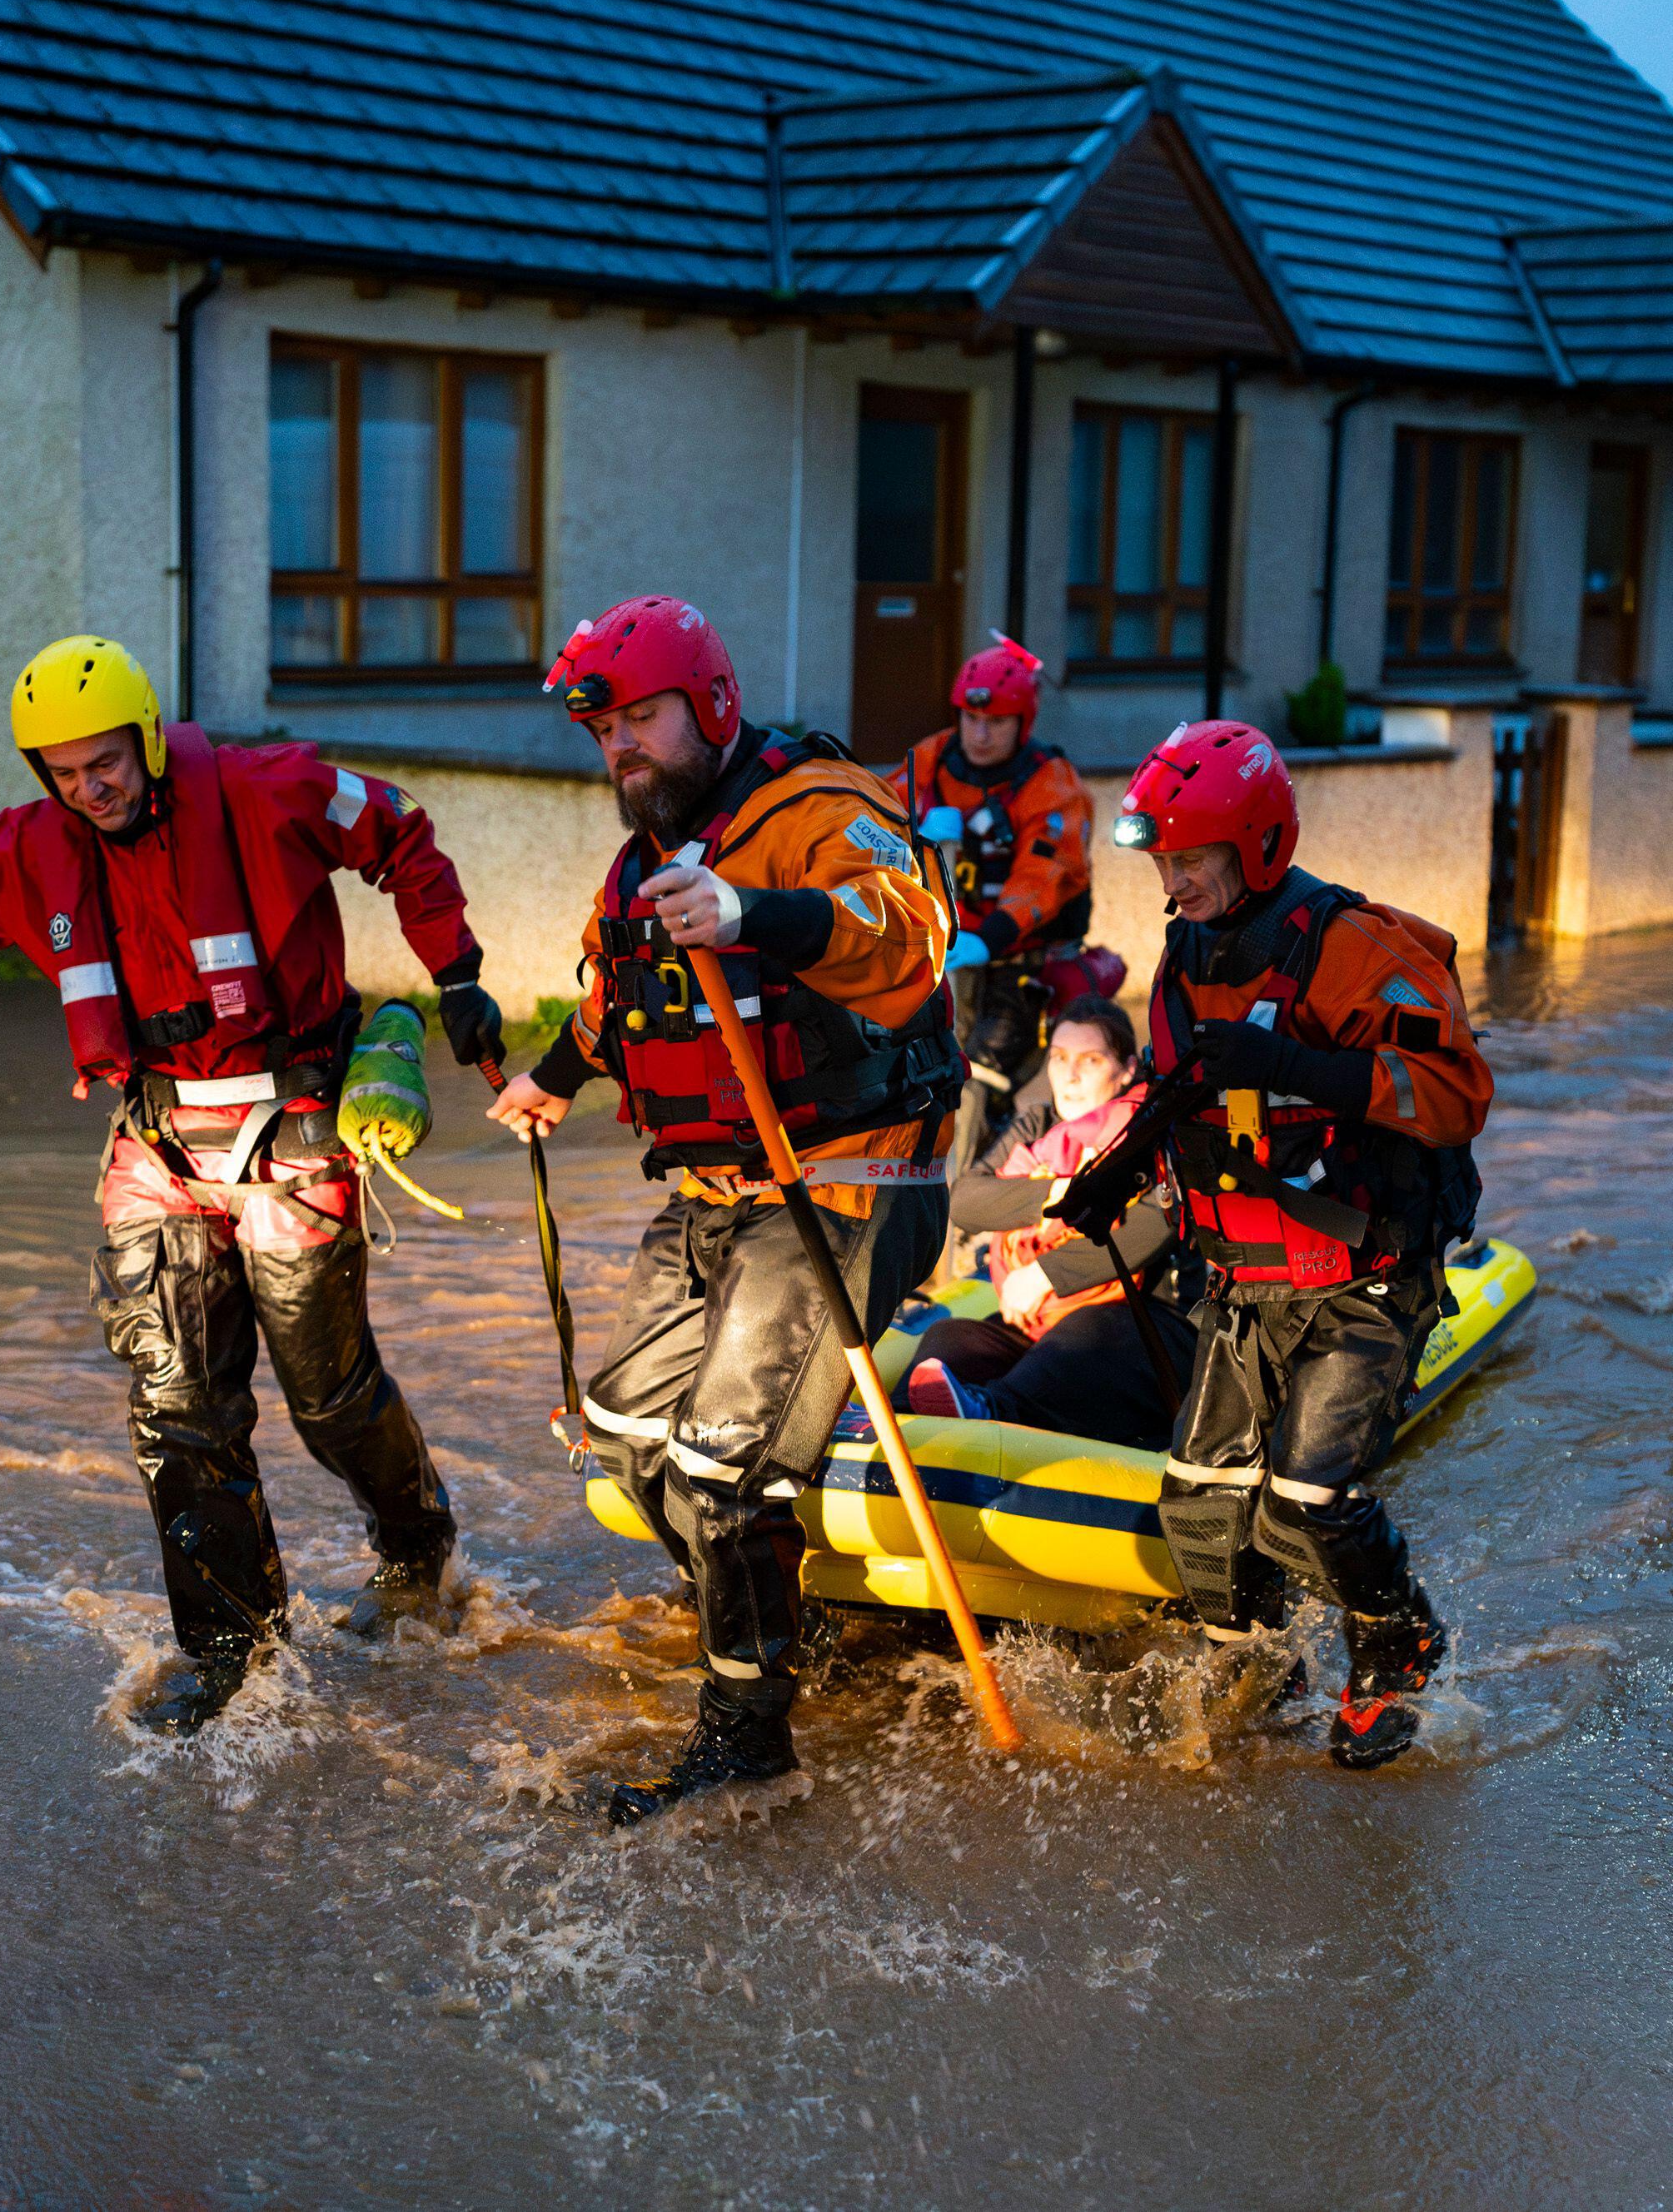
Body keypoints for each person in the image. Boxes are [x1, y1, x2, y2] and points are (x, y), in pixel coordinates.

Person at [0, 635, 498, 1730]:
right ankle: (233, 1649)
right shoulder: (28, 850)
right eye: (66, 772)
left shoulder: (275, 789)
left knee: (327, 1394)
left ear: (146, 739)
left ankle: (418, 1548)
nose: (93, 787)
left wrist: (456, 971)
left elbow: (401, 834)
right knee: (177, 1408)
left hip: (296, 1130)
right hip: (157, 1146)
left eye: (107, 762)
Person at [488, 595, 958, 1827]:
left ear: (712, 705)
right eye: (606, 731)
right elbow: (622, 997)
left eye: (643, 718)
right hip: (710, 1193)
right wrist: (555, 1071)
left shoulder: (823, 809)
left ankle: (750, 1739)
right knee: (626, 1430)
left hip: (849, 1182)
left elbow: (908, 931)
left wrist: (755, 914)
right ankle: (768, 1617)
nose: (624, 747)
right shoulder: (642, 856)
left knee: (722, 1463)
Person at [1072, 719, 1492, 1772]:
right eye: (1161, 861)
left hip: (1363, 1275)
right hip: (1246, 1279)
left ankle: (1397, 1645)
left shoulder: (1357, 948)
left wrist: (1298, 1063)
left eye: (1189, 859)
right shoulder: (1184, 951)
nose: (1171, 883)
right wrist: (1121, 1172)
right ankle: (1257, 1664)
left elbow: (1454, 1097)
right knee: (1199, 1497)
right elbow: (1195, 1094)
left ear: (1256, 845)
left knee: (1311, 1495)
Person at [902, 997, 1196, 1451]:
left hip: (1143, 1327)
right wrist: (1060, 1192)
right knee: (948, 1339)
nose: (1070, 1075)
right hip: (1040, 1325)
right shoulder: (1037, 1123)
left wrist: (1042, 1275)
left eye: (1090, 1061)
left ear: (1126, 1070)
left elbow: (1154, 1225)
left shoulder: (1150, 1129)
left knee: (1085, 1336)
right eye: (1059, 1059)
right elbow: (966, 1200)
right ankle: (902, 1424)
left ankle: (993, 1411)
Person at [885, 635, 1108, 1159]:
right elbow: (869, 820)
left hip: (1020, 961)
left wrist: (990, 937)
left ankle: (977, 1185)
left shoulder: (1052, 785)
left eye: (997, 722)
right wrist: (912, 827)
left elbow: (1043, 876)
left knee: (980, 1067)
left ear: (1023, 723)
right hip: (942, 956)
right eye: (971, 718)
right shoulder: (931, 760)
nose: (980, 734)